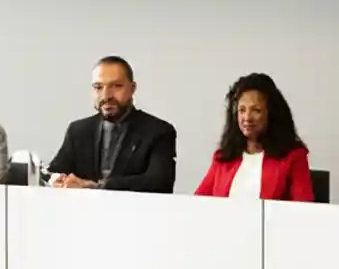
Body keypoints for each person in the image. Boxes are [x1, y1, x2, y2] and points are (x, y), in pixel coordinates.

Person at [48, 56, 177, 193]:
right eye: (98, 87)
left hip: (136, 212)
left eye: (116, 86)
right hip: (82, 211)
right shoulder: (78, 130)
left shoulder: (159, 131)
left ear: (132, 88)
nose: (106, 96)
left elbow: (159, 182)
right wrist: (56, 180)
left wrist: (97, 187)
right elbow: (54, 171)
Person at [194, 73, 313, 201]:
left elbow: (302, 212)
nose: (247, 118)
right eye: (242, 110)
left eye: (256, 110)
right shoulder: (223, 158)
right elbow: (198, 204)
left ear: (272, 113)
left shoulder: (294, 157)